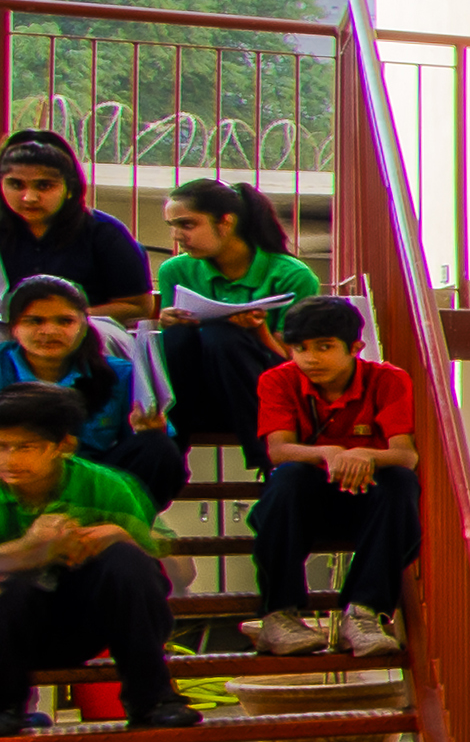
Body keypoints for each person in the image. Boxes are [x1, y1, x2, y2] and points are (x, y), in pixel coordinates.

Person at [0, 382, 195, 734]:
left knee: (126, 560)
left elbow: (180, 574)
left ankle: (152, 699)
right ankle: (5, 711)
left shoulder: (107, 486)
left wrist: (125, 536)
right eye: (0, 447)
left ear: (63, 446)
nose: (9, 460)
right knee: (18, 587)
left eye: (25, 447)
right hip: (12, 629)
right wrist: (29, 550)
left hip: (89, 624)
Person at [248, 296, 417, 658]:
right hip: (306, 503)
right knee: (288, 477)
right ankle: (280, 615)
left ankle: (364, 614)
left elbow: (405, 454)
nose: (310, 358)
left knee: (400, 482)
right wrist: (329, 453)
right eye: (299, 348)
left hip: (366, 503)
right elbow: (279, 450)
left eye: (324, 347)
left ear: (355, 348)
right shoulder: (277, 380)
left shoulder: (388, 379)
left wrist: (364, 454)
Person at [145, 180, 321, 457]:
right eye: (173, 226)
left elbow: (297, 361)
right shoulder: (175, 271)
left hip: (260, 390)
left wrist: (258, 331)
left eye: (187, 224)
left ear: (225, 222)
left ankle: (266, 455)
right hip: (195, 394)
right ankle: (171, 449)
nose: (178, 235)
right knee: (178, 335)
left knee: (222, 336)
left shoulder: (291, 275)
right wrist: (169, 321)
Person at [0, 276, 175, 513]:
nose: (50, 331)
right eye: (35, 321)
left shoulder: (118, 373)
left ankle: (118, 532)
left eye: (64, 321)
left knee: (158, 447)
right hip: (11, 479)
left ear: (84, 326)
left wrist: (150, 428)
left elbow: (147, 450)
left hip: (93, 486)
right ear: (13, 328)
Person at [0, 134, 152, 320]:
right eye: (16, 185)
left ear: (70, 189)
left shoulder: (104, 233)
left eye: (44, 186)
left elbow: (138, 307)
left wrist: (62, 319)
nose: (29, 197)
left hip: (89, 334)